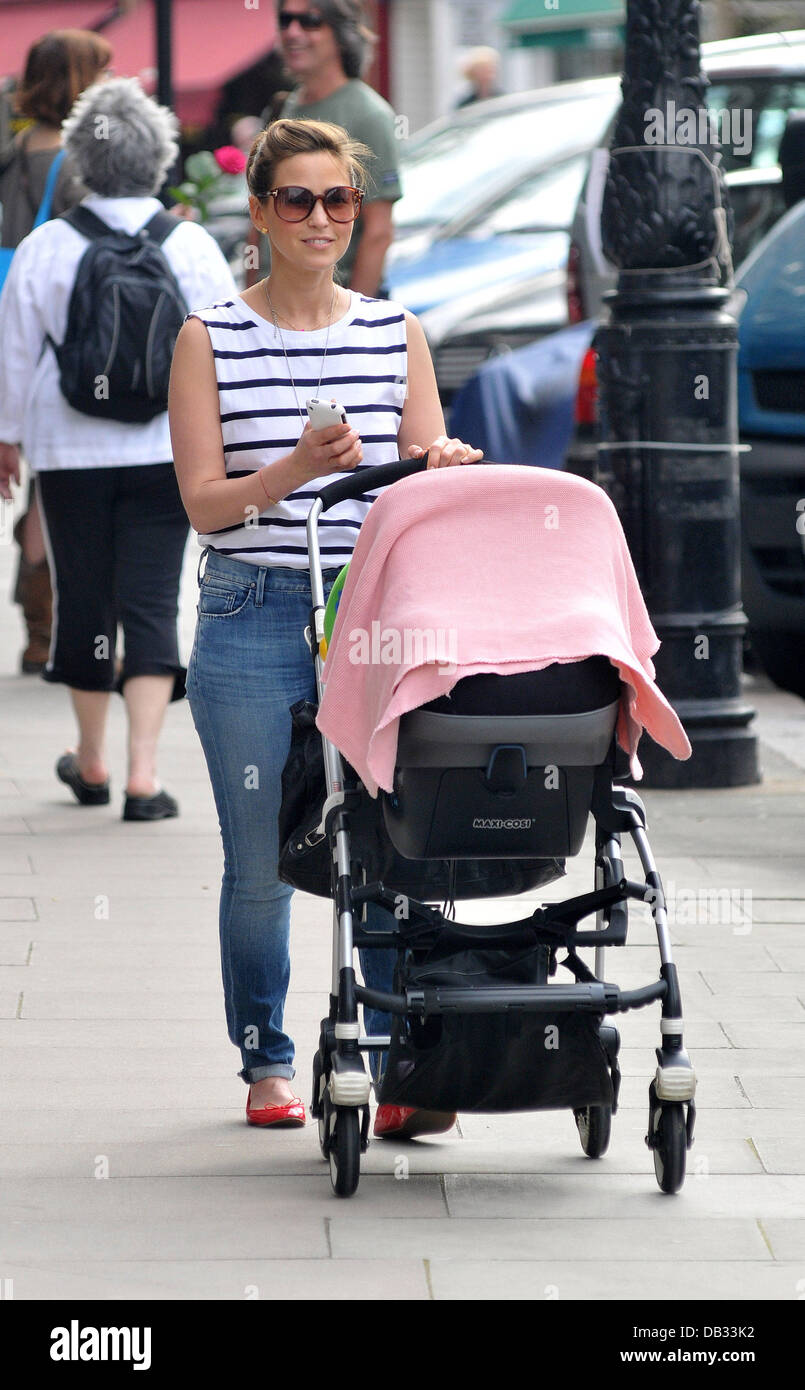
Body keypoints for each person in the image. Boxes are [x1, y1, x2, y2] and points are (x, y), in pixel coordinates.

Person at [168, 116, 482, 1136]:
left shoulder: (395, 331)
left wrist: (442, 463)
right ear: (258, 211)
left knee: (388, 844)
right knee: (260, 856)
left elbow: (424, 462)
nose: (320, 217)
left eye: (337, 198)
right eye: (296, 198)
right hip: (249, 608)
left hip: (370, 610)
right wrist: (297, 473)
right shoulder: (208, 337)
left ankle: (393, 1063)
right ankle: (265, 1059)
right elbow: (205, 505)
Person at [0, 78, 237, 819]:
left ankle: (92, 760)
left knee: (86, 598)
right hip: (166, 446)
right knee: (153, 598)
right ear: (160, 157)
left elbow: (14, 352)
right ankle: (143, 775)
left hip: (68, 449)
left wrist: (6, 438)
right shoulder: (191, 243)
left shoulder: (47, 245)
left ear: (80, 158)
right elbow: (224, 350)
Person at [0, 29, 113, 675]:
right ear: (77, 80)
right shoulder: (73, 160)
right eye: (100, 72)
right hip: (54, 326)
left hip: (9, 318)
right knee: (51, 482)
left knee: (39, 478)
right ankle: (49, 623)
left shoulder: (16, 149)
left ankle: (37, 626)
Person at [265, 0, 400, 296]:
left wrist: (351, 327)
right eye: (285, 20)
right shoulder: (284, 106)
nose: (293, 32)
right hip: (273, 310)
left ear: (341, 32)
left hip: (328, 317)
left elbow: (378, 233)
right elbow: (260, 210)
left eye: (310, 21)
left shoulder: (369, 114)